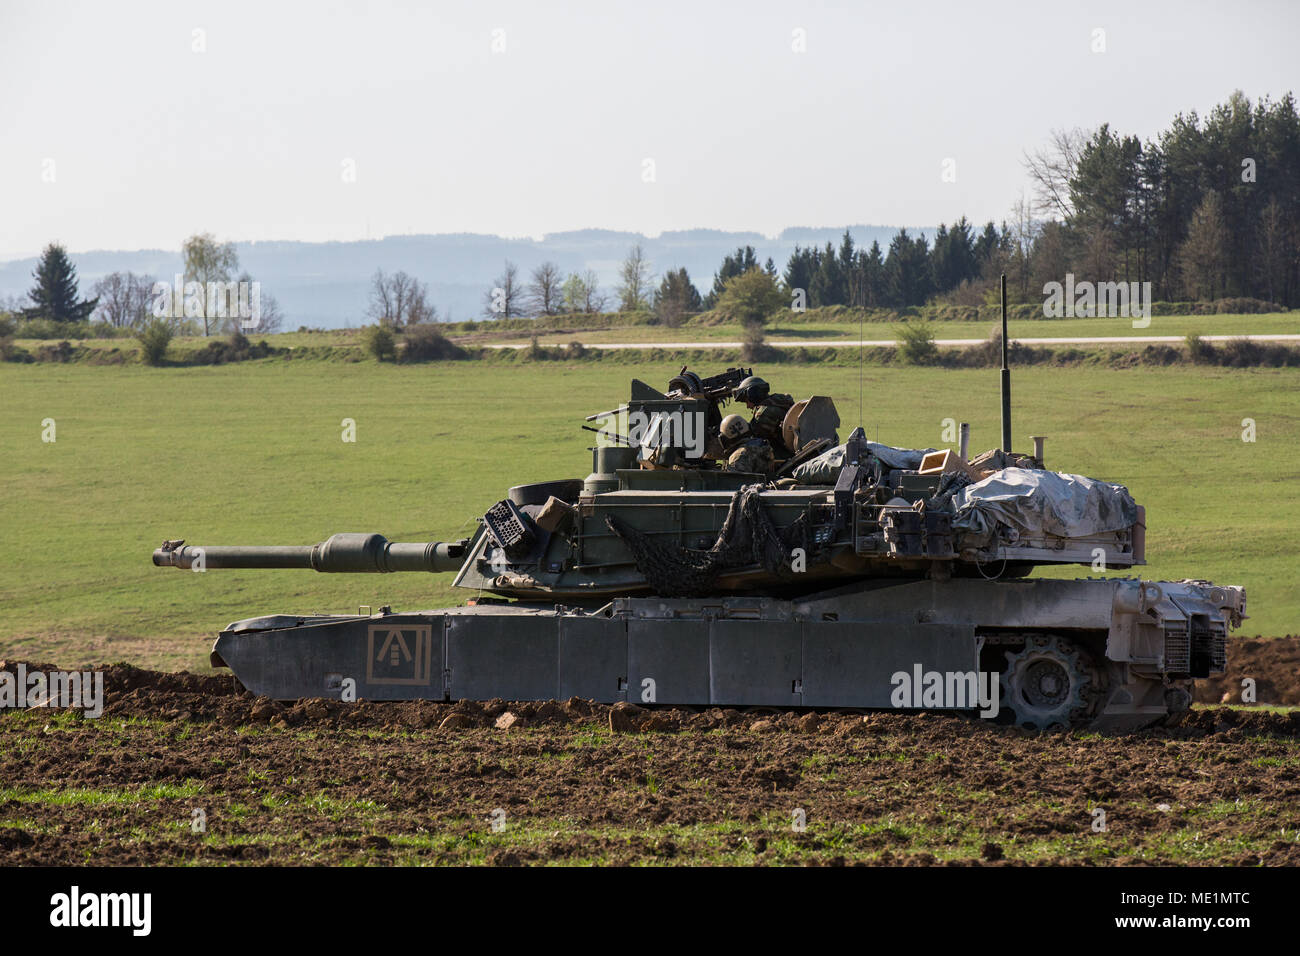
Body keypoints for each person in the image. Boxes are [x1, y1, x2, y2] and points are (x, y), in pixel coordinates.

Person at [732, 376, 794, 456]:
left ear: (753, 395)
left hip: (783, 455)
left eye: (747, 401)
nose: (748, 406)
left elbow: (752, 437)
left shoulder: (764, 413)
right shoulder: (780, 401)